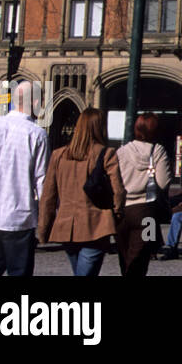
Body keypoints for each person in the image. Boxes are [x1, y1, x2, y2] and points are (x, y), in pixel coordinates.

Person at [0, 81, 48, 276]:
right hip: (18, 217)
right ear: (36, 102)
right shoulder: (37, 134)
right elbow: (41, 180)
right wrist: (45, 218)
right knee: (19, 272)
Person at [38, 108, 125, 276]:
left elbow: (48, 196)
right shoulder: (106, 153)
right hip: (96, 225)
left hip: (66, 227)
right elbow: (118, 191)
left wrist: (44, 229)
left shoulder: (59, 155)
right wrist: (116, 214)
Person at [114, 113, 173, 276]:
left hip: (123, 212)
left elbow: (115, 181)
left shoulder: (122, 151)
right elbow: (163, 182)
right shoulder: (158, 150)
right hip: (148, 213)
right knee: (141, 259)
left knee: (125, 259)